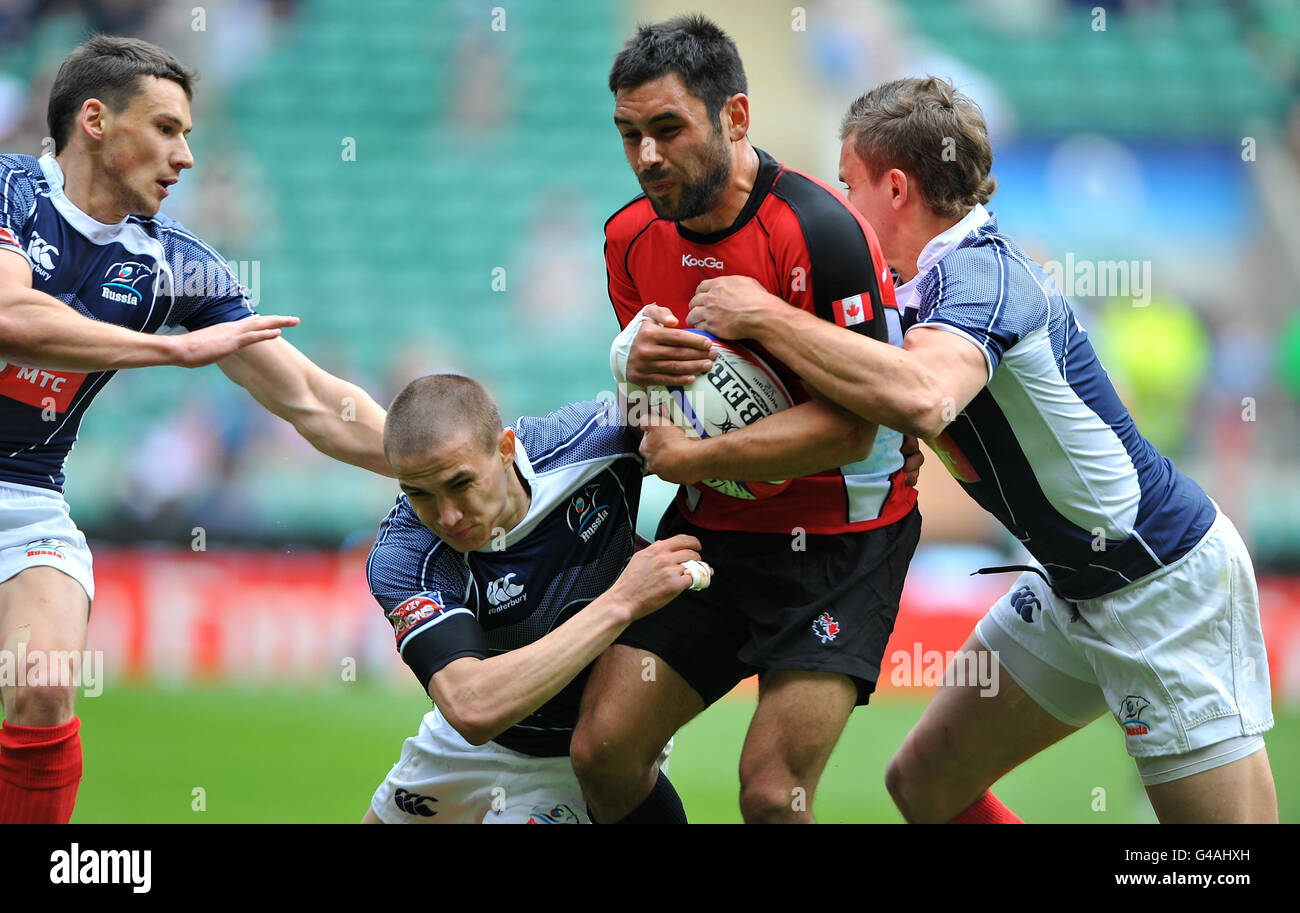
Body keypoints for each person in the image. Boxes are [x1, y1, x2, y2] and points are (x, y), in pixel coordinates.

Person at [686, 76, 1278, 823]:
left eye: (848, 184)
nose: (837, 205)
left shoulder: (983, 273)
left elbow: (923, 394)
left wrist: (767, 316)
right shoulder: (908, 289)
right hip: (1070, 585)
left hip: (1158, 583)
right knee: (926, 782)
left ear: (895, 186)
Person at [0, 36, 389, 824]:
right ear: (97, 120)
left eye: (189, 135)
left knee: (41, 678)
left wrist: (457, 464)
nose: (185, 156)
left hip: (26, 489)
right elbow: (10, 315)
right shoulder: (9, 188)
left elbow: (313, 400)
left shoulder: (180, 263)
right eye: (169, 129)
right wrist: (169, 349)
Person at [569, 15, 923, 824]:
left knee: (772, 791)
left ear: (735, 117)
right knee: (603, 750)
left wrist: (693, 458)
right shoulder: (628, 238)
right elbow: (660, 411)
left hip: (842, 544)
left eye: (667, 129)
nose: (647, 156)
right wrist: (636, 379)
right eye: (629, 135)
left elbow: (854, 430)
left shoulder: (822, 231)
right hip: (716, 534)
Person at [362, 374, 702, 824]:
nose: (446, 516)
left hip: (580, 754)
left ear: (505, 450)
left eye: (461, 484)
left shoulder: (591, 444)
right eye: (419, 493)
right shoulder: (404, 555)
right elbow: (471, 706)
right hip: (461, 749)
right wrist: (623, 600)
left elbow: (685, 419)